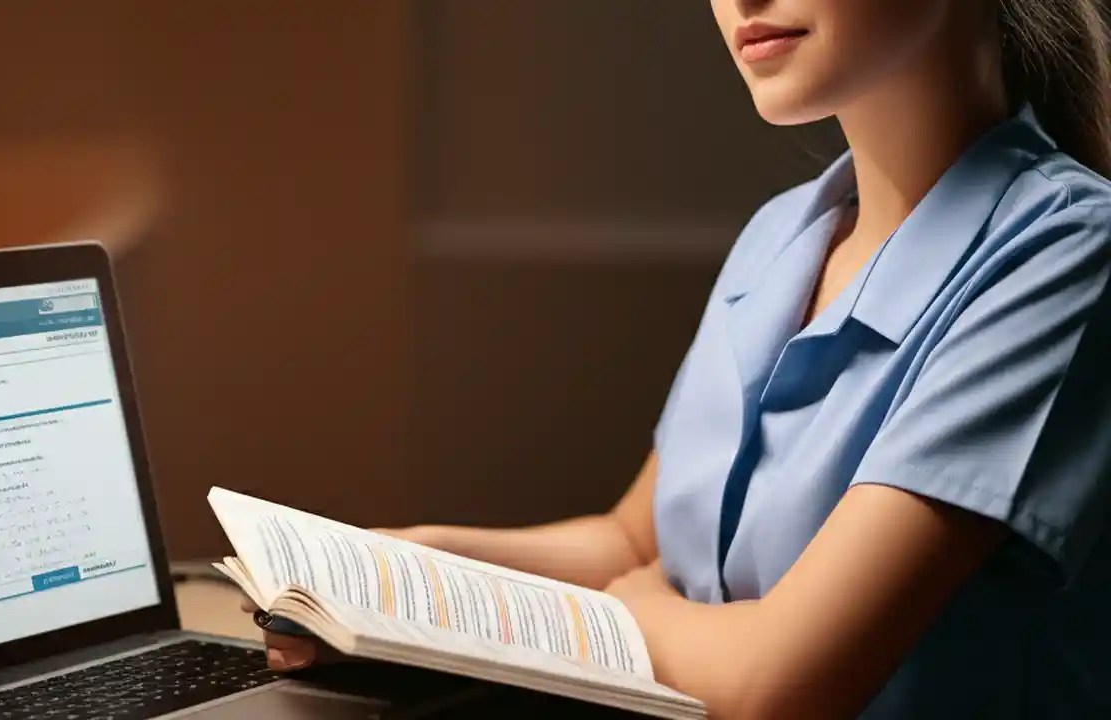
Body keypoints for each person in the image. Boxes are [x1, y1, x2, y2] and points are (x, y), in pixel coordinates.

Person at [244, 1, 1111, 716]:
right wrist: (411, 566)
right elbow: (632, 540)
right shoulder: (781, 237)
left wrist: (636, 610)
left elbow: (778, 684)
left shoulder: (1067, 251)